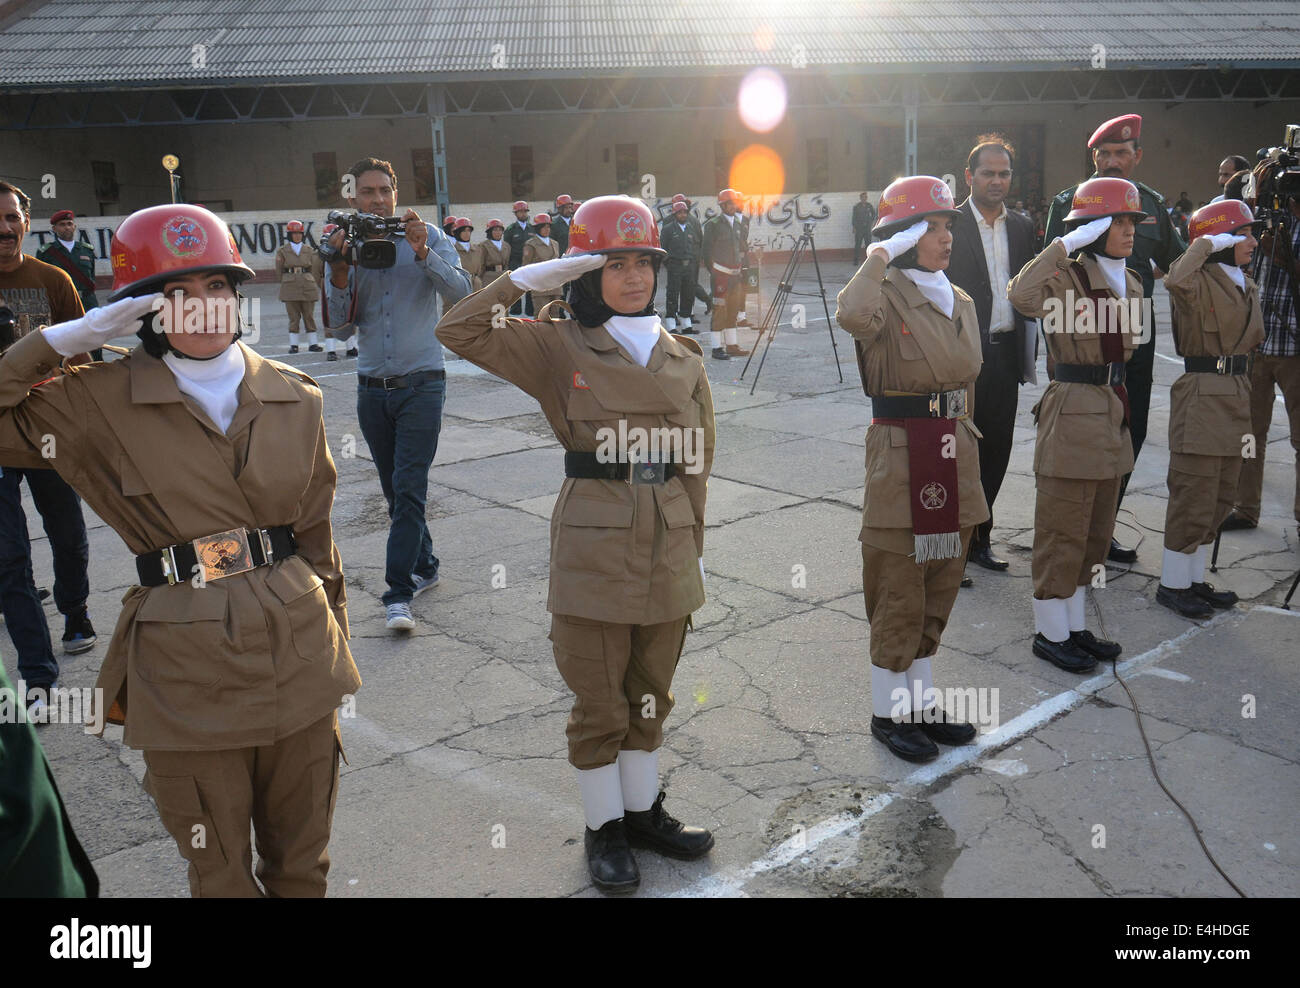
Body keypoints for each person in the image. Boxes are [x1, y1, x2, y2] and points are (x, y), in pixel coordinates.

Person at [0, 202, 361, 897]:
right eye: (176, 293)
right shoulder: (91, 401)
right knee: (218, 872)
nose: (202, 309)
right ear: (139, 310)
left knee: (302, 869)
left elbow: (317, 541)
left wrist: (333, 650)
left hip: (302, 653)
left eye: (217, 287)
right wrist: (65, 336)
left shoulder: (295, 396)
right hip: (189, 673)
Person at [437, 194, 716, 895]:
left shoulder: (683, 355)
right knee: (599, 695)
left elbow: (698, 462)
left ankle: (644, 811)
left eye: (643, 263)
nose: (633, 278)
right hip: (595, 534)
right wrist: (529, 282)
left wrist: (697, 546)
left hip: (669, 536)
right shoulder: (556, 344)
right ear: (585, 273)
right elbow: (459, 330)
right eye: (613, 264)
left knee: (651, 690)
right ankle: (605, 827)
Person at [835, 175, 988, 764]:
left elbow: (966, 381)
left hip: (954, 448)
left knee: (940, 579)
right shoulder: (883, 292)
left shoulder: (963, 298)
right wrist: (879, 257)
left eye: (948, 225)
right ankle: (888, 712)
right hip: (902, 452)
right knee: (899, 583)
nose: (945, 237)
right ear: (902, 236)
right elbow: (851, 313)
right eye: (931, 227)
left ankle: (920, 703)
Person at [324, 157, 471, 632]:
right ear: (352, 197)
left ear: (396, 192)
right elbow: (340, 328)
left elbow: (461, 292)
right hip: (371, 389)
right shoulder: (347, 242)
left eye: (385, 190)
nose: (377, 199)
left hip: (423, 383)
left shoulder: (423, 233)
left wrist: (424, 251)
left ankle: (398, 593)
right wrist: (340, 271)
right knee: (395, 493)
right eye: (367, 191)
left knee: (410, 489)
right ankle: (426, 565)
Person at [1010, 177, 1145, 674]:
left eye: (1132, 221)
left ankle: (1074, 624)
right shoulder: (1065, 275)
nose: (1129, 230)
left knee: (1094, 530)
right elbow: (1021, 295)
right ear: (1092, 227)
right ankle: (1050, 632)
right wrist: (1064, 245)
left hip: (1111, 407)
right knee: (1062, 528)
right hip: (1072, 407)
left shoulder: (1129, 281)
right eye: (1119, 221)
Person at [1043, 114, 1186, 564]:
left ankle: (1102, 527)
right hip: (1083, 331)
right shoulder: (1069, 202)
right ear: (1094, 157)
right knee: (1081, 434)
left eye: (1121, 153)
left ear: (1136, 157)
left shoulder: (1153, 207)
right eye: (1103, 154)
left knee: (1130, 430)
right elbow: (1048, 271)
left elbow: (1178, 265)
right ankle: (1075, 531)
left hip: (1136, 332)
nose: (1111, 161)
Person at [0, 182, 97, 713]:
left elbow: (84, 356)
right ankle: (38, 677)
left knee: (67, 533)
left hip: (49, 435)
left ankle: (75, 610)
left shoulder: (53, 280)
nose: (4, 228)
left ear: (25, 221)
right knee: (9, 558)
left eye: (11, 217)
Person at [1156, 200, 1263, 618]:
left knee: (1222, 493)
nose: (1253, 241)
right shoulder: (1196, 280)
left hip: (1237, 392)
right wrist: (1205, 242)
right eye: (1244, 234)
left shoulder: (1245, 283)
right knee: (1194, 493)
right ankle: (1173, 583)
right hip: (1202, 392)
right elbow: (1174, 277)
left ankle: (1194, 579)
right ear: (1222, 239)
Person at [947, 136, 1036, 575]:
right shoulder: (947, 224)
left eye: (1004, 173)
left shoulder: (1021, 227)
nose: (997, 181)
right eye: (988, 173)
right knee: (956, 453)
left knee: (996, 450)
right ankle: (952, 550)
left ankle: (980, 539)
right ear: (970, 177)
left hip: (1004, 356)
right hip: (961, 362)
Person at [1222, 190, 1300, 532]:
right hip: (1258, 345)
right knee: (1250, 434)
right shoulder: (1270, 222)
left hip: (1296, 350)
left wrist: (1283, 259)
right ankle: (1246, 506)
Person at [36, 209, 100, 359]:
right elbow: (42, 281)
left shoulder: (86, 250)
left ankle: (97, 370)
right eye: (62, 224)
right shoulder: (47, 252)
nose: (66, 227)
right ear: (54, 229)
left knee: (94, 339)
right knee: (65, 342)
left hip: (87, 302)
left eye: (69, 224)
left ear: (74, 227)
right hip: (61, 303)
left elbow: (91, 278)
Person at [701, 188, 752, 360]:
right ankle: (717, 348)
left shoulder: (738, 223)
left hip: (735, 276)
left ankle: (732, 345)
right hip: (721, 276)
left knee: (733, 310)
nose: (733, 206)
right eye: (729, 203)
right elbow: (706, 252)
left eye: (734, 203)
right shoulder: (713, 224)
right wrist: (714, 272)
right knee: (719, 311)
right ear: (722, 205)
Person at [275, 219, 326, 356]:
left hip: (307, 284)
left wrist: (311, 281)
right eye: (294, 233)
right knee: (293, 317)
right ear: (289, 235)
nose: (297, 236)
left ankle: (313, 344)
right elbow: (279, 271)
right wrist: (286, 281)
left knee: (309, 315)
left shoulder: (309, 250)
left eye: (299, 233)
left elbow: (313, 269)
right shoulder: (283, 251)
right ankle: (294, 345)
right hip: (290, 286)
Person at [660, 199, 702, 333]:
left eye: (685, 212)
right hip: (675, 266)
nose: (683, 215)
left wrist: (694, 261)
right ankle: (671, 325)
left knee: (688, 294)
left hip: (689, 266)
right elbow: (663, 247)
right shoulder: (668, 229)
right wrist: (669, 263)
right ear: (675, 214)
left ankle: (686, 325)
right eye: (679, 213)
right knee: (673, 294)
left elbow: (696, 245)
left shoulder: (690, 227)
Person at [520, 212, 562, 312]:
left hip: (555, 284)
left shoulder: (555, 244)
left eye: (548, 227)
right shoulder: (531, 244)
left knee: (555, 315)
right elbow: (526, 266)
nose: (547, 229)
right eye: (544, 227)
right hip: (540, 285)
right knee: (541, 315)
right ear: (538, 228)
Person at [504, 200, 533, 316]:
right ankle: (516, 312)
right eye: (520, 212)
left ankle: (530, 312)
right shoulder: (510, 230)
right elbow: (506, 248)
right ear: (516, 214)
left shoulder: (532, 228)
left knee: (530, 286)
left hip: (530, 263)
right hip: (515, 262)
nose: (523, 214)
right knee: (516, 287)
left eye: (525, 211)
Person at [451, 217, 484, 291]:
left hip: (476, 284)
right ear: (457, 232)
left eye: (469, 230)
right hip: (460, 284)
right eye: (463, 231)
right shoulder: (452, 250)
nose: (467, 233)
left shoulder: (477, 249)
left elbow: (481, 267)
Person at [851, 192, 876, 266]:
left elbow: (873, 214)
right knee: (857, 244)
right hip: (859, 228)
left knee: (868, 244)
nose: (864, 198)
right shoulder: (856, 206)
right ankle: (856, 260)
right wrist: (854, 227)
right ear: (860, 198)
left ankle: (868, 260)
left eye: (865, 197)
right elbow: (854, 218)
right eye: (863, 197)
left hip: (867, 228)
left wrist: (870, 221)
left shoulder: (869, 205)